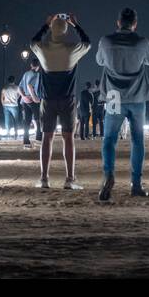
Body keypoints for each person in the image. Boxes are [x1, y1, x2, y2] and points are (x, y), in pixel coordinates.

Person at [96, 6, 149, 202]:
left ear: (118, 22)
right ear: (135, 24)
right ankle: (136, 185)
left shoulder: (106, 42)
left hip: (114, 95)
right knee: (137, 140)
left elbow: (99, 61)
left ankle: (108, 175)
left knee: (109, 139)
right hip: (137, 96)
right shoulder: (142, 43)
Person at [28, 13, 91, 189]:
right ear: (65, 30)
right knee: (68, 138)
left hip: (48, 99)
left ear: (52, 31)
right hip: (67, 98)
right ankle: (70, 179)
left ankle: (44, 178)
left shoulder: (43, 49)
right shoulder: (72, 49)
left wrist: (46, 25)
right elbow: (87, 43)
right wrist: (76, 25)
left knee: (47, 138)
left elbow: (33, 42)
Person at [18, 58, 43, 148]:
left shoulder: (26, 74)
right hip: (33, 100)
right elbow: (30, 85)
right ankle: (39, 137)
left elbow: (19, 87)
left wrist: (24, 97)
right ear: (38, 66)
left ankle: (26, 140)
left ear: (31, 65)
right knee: (37, 119)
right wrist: (34, 97)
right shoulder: (36, 74)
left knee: (27, 121)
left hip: (25, 101)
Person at [1, 76, 22, 141]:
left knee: (7, 120)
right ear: (14, 80)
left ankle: (8, 133)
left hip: (6, 105)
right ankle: (16, 133)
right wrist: (16, 98)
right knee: (15, 120)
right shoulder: (17, 87)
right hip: (14, 105)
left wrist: (3, 105)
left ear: (8, 80)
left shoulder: (5, 88)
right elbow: (21, 94)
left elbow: (2, 98)